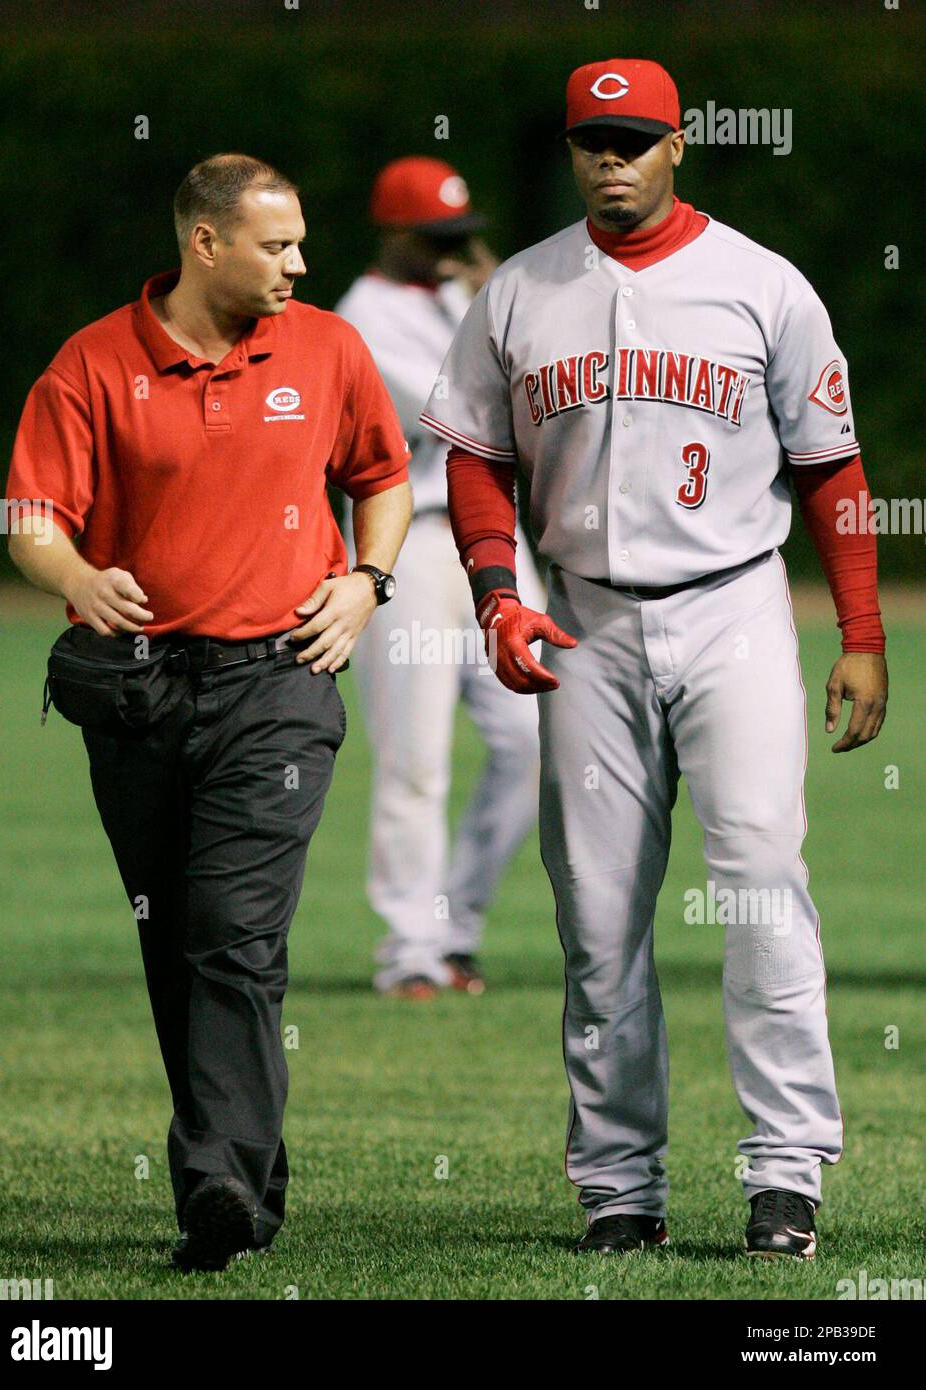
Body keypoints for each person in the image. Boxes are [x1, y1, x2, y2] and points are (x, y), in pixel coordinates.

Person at [419, 60, 888, 1259]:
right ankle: (618, 1187)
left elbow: (829, 466)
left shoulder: (758, 285)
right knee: (597, 916)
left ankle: (784, 1174)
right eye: (591, 140)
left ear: (678, 143)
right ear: (572, 149)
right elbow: (472, 453)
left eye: (632, 138)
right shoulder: (519, 290)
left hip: (731, 610)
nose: (610, 160)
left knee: (759, 880)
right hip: (579, 615)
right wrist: (493, 592)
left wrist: (861, 633)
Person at [5, 153, 412, 1271]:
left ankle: (214, 1178)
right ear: (205, 243)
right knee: (173, 935)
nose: (299, 263)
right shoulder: (91, 363)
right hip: (135, 691)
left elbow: (382, 478)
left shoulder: (328, 349)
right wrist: (75, 578)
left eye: (298, 244)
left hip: (277, 681)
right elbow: (31, 514)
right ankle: (243, 1176)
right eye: (276, 245)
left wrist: (364, 583)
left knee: (233, 928)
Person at [335, 157, 543, 998]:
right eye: (437, 238)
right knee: (415, 758)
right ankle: (409, 949)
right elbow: (459, 411)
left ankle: (455, 924)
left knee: (535, 740)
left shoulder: (464, 296)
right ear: (394, 233)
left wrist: (502, 297)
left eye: (461, 235)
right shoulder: (360, 317)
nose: (454, 250)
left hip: (494, 537)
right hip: (410, 541)